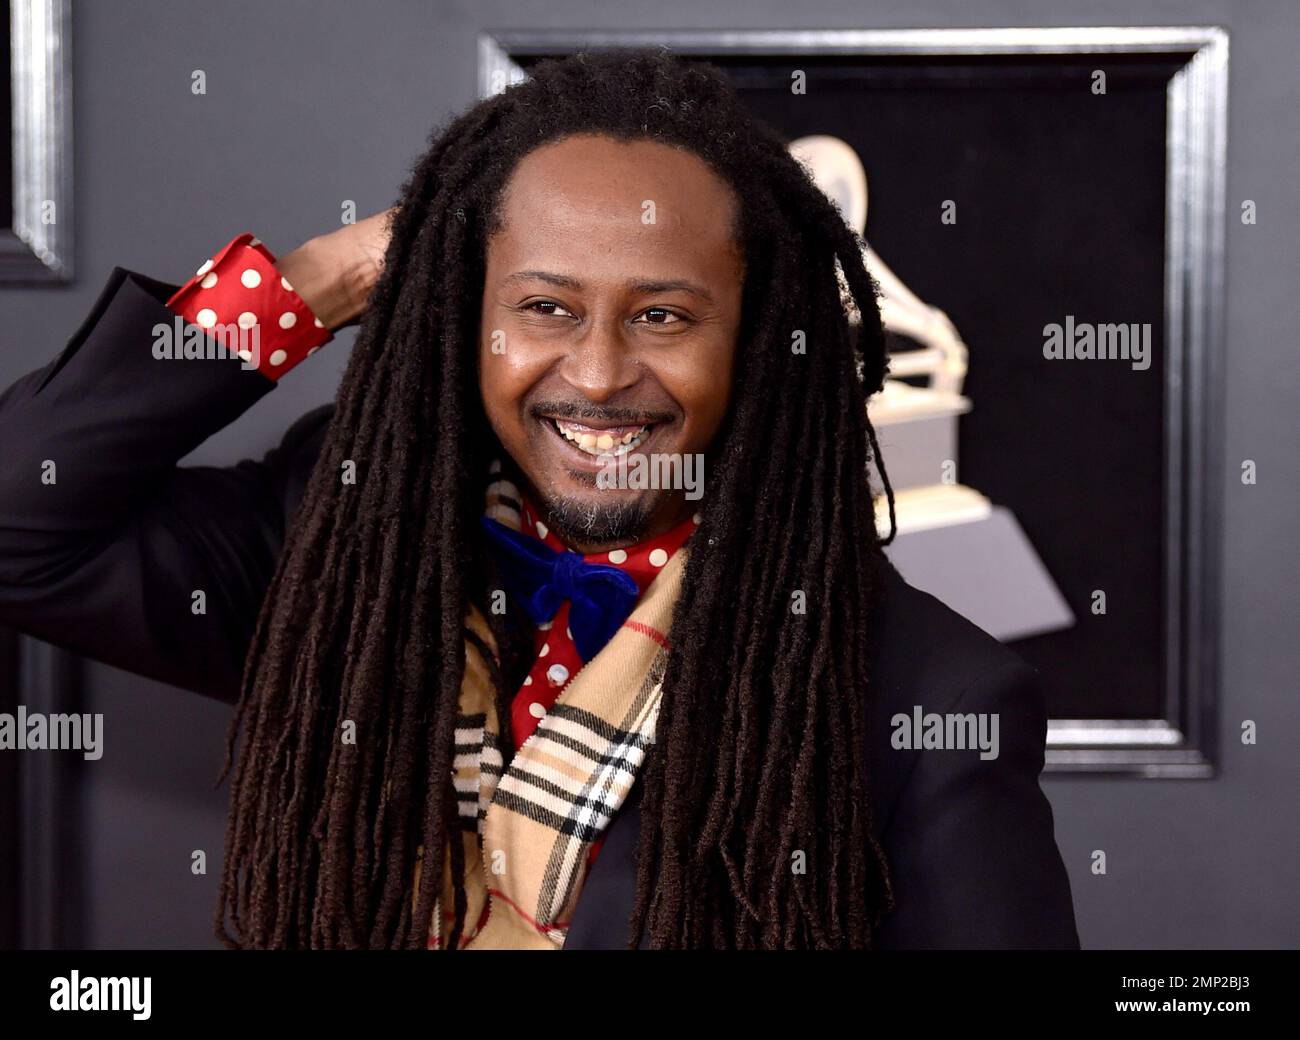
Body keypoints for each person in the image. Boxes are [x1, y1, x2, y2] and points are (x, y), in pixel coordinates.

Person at [0, 50, 1078, 950]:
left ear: (755, 342)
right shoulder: (346, 551)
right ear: (460, 315)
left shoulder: (934, 700)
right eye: (545, 306)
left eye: (662, 316)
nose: (598, 373)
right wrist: (327, 275)